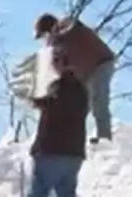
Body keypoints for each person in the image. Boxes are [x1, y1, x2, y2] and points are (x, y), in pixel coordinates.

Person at [28, 49, 89, 197]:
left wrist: (39, 102)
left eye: (56, 60)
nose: (53, 65)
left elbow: (56, 109)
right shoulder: (82, 90)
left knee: (39, 196)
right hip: (74, 153)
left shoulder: (59, 87)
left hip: (52, 149)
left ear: (64, 63)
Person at [36, 13, 115, 143]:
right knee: (80, 105)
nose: (45, 39)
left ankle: (104, 137)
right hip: (87, 71)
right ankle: (74, 139)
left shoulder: (66, 28)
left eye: (44, 35)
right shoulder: (58, 42)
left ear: (49, 29)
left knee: (98, 100)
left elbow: (71, 29)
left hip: (101, 63)